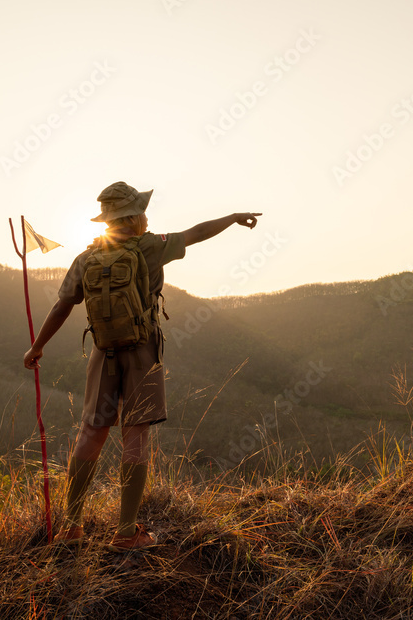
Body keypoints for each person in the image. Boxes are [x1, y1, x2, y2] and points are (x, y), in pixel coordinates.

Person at [23, 181, 261, 550]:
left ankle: (71, 527)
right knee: (135, 435)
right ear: (133, 216)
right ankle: (126, 533)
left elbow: (62, 306)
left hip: (103, 352)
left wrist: (37, 347)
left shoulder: (87, 257)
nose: (147, 217)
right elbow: (196, 233)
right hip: (142, 350)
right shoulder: (150, 246)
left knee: (91, 433)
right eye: (143, 212)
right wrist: (232, 218)